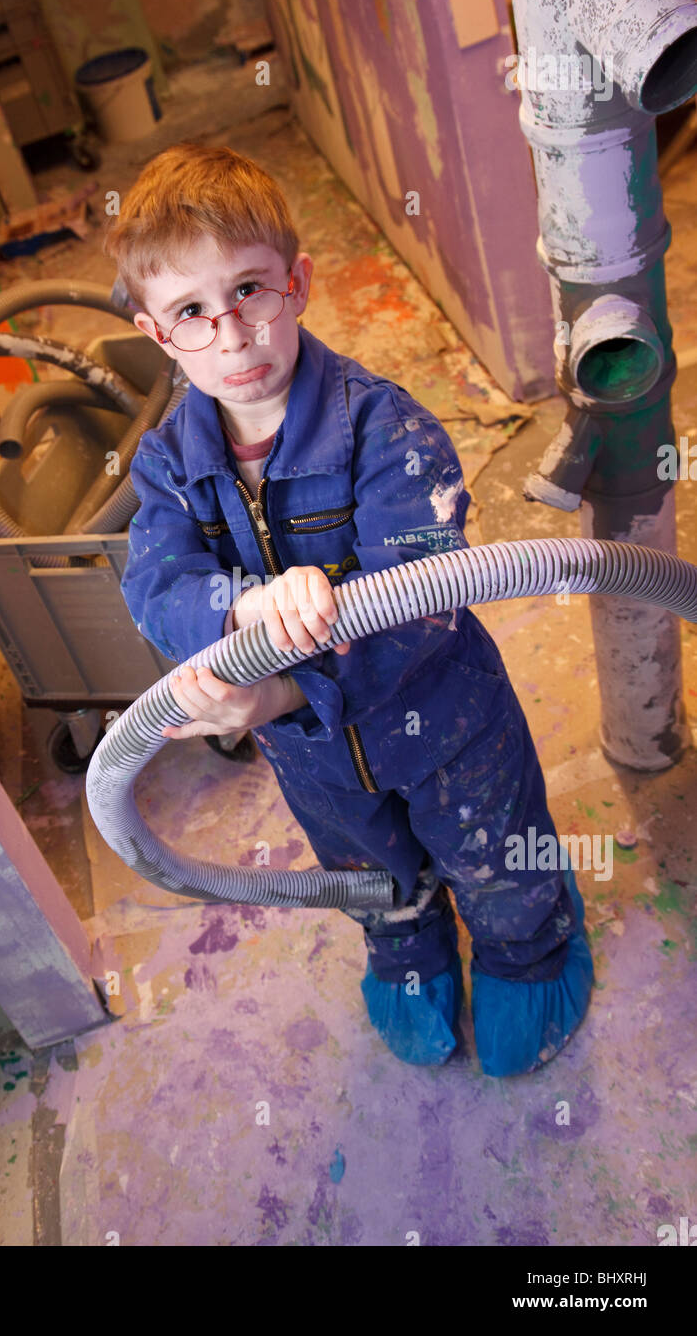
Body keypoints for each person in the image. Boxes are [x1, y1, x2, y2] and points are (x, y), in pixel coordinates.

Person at [106, 142, 593, 1076]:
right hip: (316, 761)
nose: (233, 334)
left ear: (298, 282)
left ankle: (528, 951)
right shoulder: (168, 465)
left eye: (249, 290)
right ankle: (410, 956)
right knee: (371, 876)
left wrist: (278, 696)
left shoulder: (385, 424)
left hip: (448, 724)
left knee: (495, 858)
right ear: (157, 333)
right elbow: (157, 584)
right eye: (192, 312)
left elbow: (421, 599)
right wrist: (245, 612)